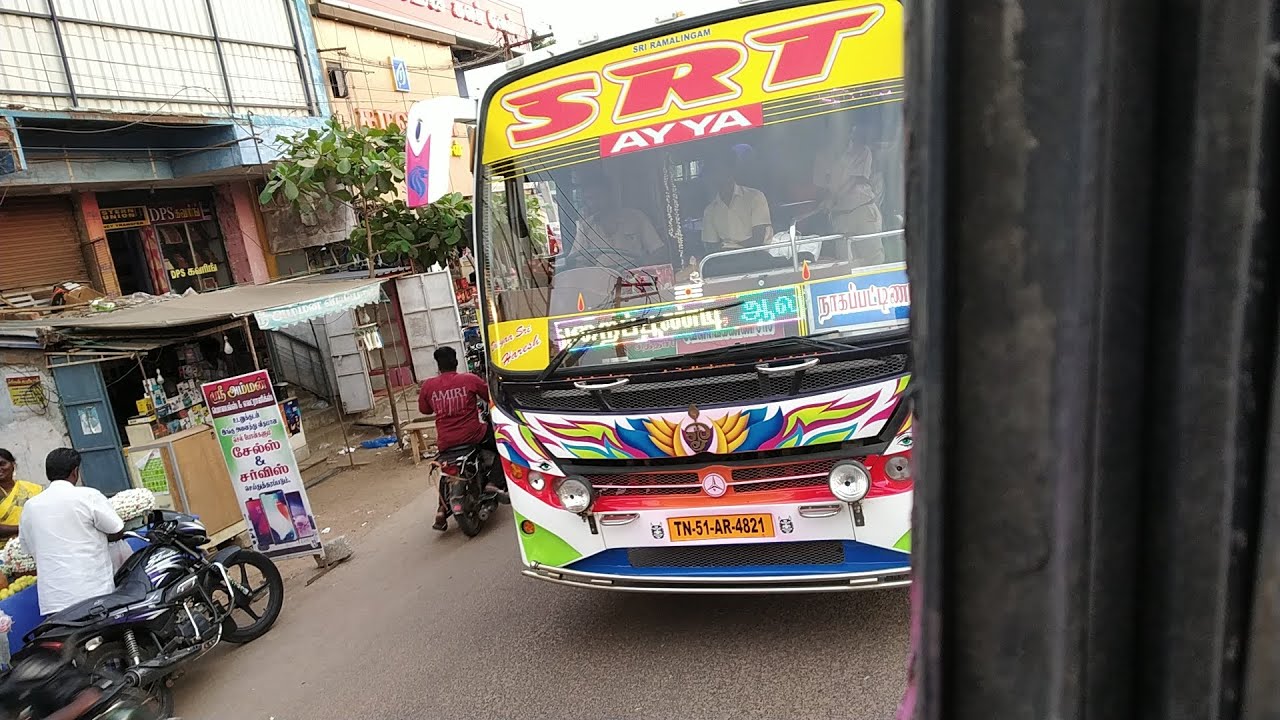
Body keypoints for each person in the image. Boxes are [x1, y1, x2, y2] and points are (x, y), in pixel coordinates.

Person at [18, 449, 125, 616]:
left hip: (53, 602)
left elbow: (27, 548)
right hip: (93, 595)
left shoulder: (30, 506)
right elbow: (117, 530)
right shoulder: (87, 495)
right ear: (75, 472)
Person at [418, 347, 507, 531]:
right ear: (456, 361)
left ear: (438, 365)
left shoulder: (428, 385)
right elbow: (490, 398)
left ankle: (441, 510)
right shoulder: (469, 380)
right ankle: (492, 483)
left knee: (447, 471)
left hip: (446, 441)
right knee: (502, 446)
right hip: (473, 435)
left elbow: (425, 410)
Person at [813, 120, 886, 265]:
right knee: (846, 263)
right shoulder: (822, 156)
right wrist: (825, 200)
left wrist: (833, 198)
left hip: (863, 212)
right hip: (839, 217)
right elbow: (820, 186)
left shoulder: (862, 151)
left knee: (873, 258)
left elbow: (856, 180)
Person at [563, 176, 665, 270]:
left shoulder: (636, 217)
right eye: (590, 199)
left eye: (598, 197)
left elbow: (658, 250)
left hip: (636, 278)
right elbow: (577, 261)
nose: (594, 203)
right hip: (601, 282)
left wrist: (644, 266)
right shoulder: (585, 227)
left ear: (610, 195)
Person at [0, 449, 43, 538]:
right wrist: (24, 529)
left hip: (34, 542)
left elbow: (44, 517)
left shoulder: (32, 489)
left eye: (2, 464)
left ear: (13, 465)